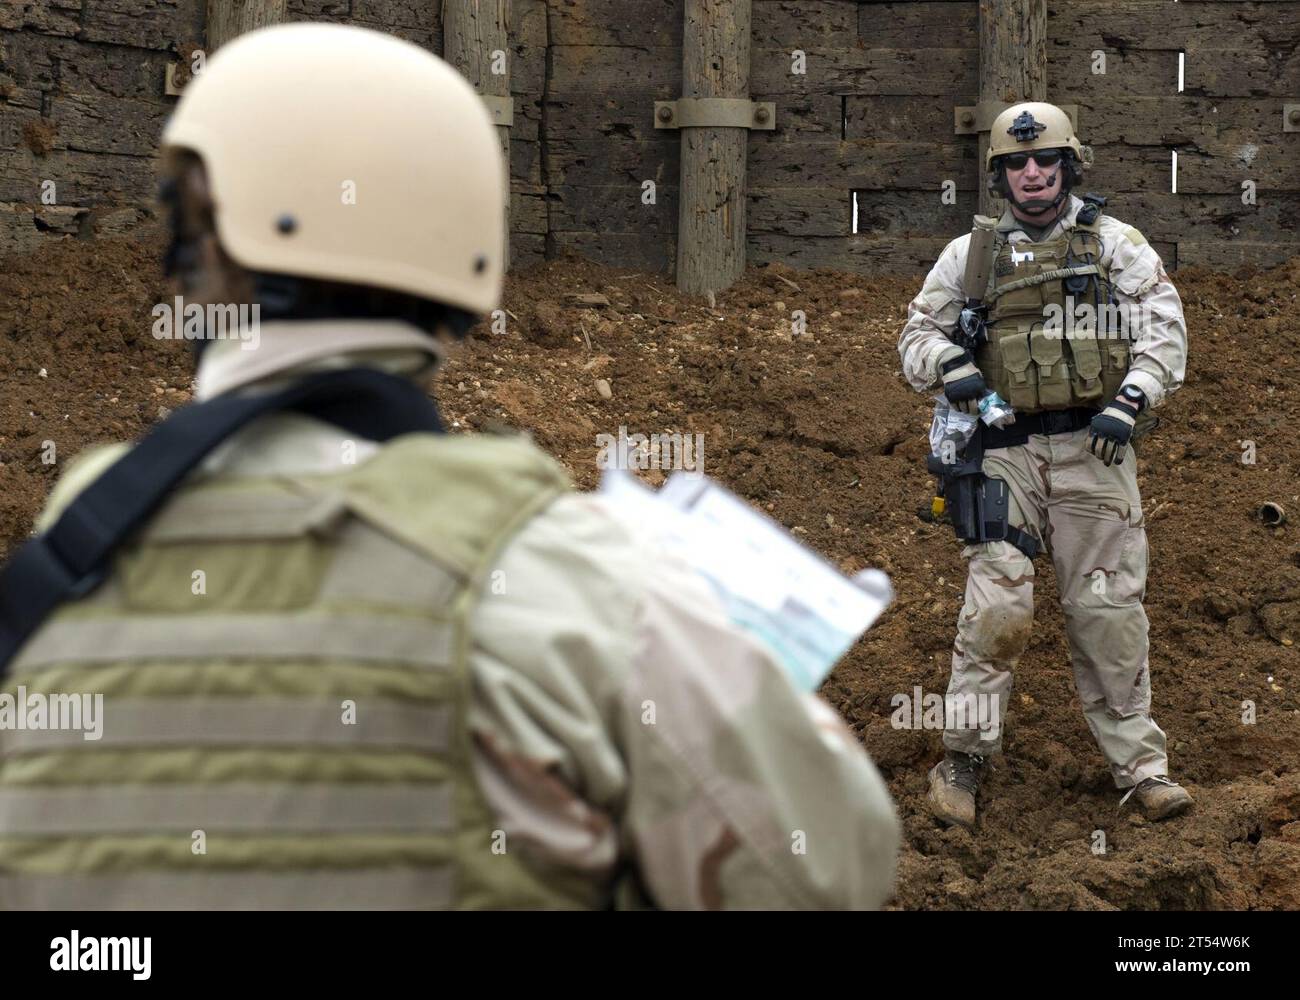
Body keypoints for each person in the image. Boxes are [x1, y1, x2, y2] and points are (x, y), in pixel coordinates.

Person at [0, 23, 899, 910]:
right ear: (462, 255)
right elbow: (834, 867)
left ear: (198, 260)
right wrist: (696, 614)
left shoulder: (64, 559)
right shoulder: (575, 578)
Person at [897, 102, 1191, 830]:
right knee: (997, 608)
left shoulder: (1114, 243)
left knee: (1107, 612)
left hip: (1096, 448)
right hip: (1003, 452)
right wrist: (950, 366)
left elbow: (1165, 332)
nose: (1032, 174)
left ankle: (1142, 771)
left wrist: (1132, 399)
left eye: (1045, 161)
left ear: (1068, 166)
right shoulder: (972, 255)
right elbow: (914, 339)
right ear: (1000, 175)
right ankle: (963, 758)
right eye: (1016, 164)